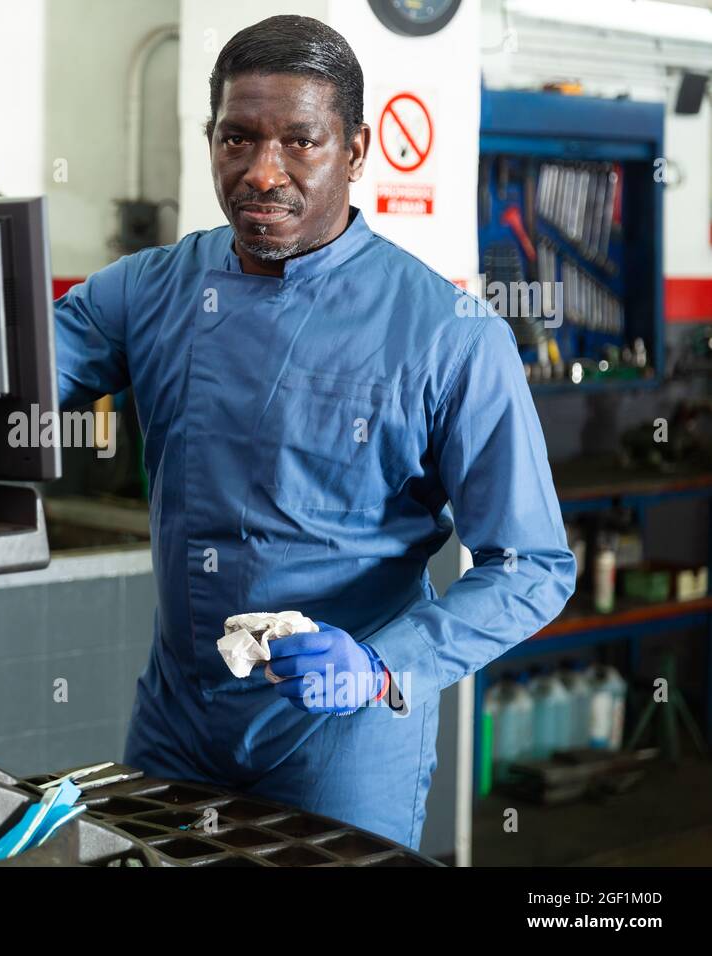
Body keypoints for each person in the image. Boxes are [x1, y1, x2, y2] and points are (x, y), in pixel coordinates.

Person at [52, 14, 575, 849]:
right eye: (237, 140)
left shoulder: (448, 334)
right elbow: (7, 379)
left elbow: (533, 568)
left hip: (343, 737)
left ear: (357, 150)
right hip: (179, 723)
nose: (262, 172)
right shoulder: (148, 291)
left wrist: (380, 666)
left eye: (300, 143)